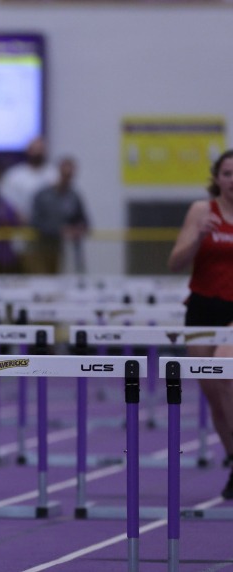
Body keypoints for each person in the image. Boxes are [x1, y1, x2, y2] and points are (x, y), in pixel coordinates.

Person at [167, 149, 233, 500]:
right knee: (214, 396)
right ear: (217, 177)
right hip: (202, 307)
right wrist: (198, 238)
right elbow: (175, 263)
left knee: (224, 373)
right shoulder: (200, 211)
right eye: (227, 173)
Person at [28, 156, 90, 274]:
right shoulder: (43, 195)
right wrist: (58, 230)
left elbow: (84, 221)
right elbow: (34, 221)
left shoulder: (74, 197)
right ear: (58, 172)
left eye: (70, 175)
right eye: (64, 174)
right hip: (42, 249)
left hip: (66, 250)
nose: (67, 178)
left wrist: (78, 229)